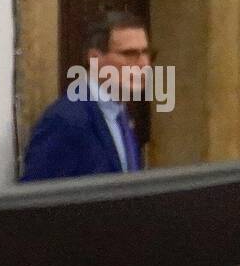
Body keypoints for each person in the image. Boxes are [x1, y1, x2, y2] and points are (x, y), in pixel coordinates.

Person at [21, 10, 150, 181]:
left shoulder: (119, 113)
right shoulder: (65, 120)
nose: (143, 63)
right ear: (95, 59)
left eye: (146, 53)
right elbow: (37, 197)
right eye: (129, 54)